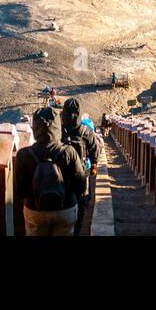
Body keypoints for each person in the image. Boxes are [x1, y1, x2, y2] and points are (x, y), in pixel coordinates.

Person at [14, 106, 87, 236]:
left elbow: (20, 190)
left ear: (35, 128)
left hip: (35, 211)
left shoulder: (23, 155)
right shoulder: (69, 151)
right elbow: (81, 186)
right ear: (58, 126)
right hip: (65, 209)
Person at [61, 97, 102, 235]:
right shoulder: (85, 131)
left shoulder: (58, 130)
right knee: (81, 204)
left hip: (60, 175)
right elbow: (95, 148)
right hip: (81, 174)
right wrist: (94, 164)